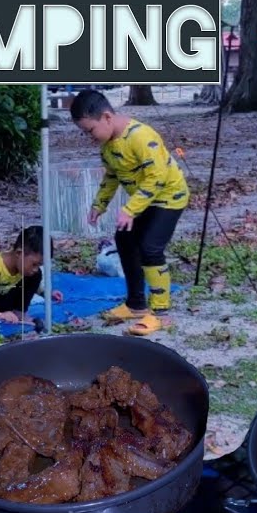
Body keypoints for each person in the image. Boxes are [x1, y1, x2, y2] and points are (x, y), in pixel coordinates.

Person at [70, 89, 189, 336]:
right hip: (143, 199)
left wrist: (130, 209)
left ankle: (160, 313)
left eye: (90, 131)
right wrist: (98, 205)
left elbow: (158, 176)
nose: (89, 137)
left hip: (169, 196)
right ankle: (136, 304)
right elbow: (112, 177)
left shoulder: (141, 137)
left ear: (106, 117)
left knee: (150, 248)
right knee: (124, 239)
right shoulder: (107, 147)